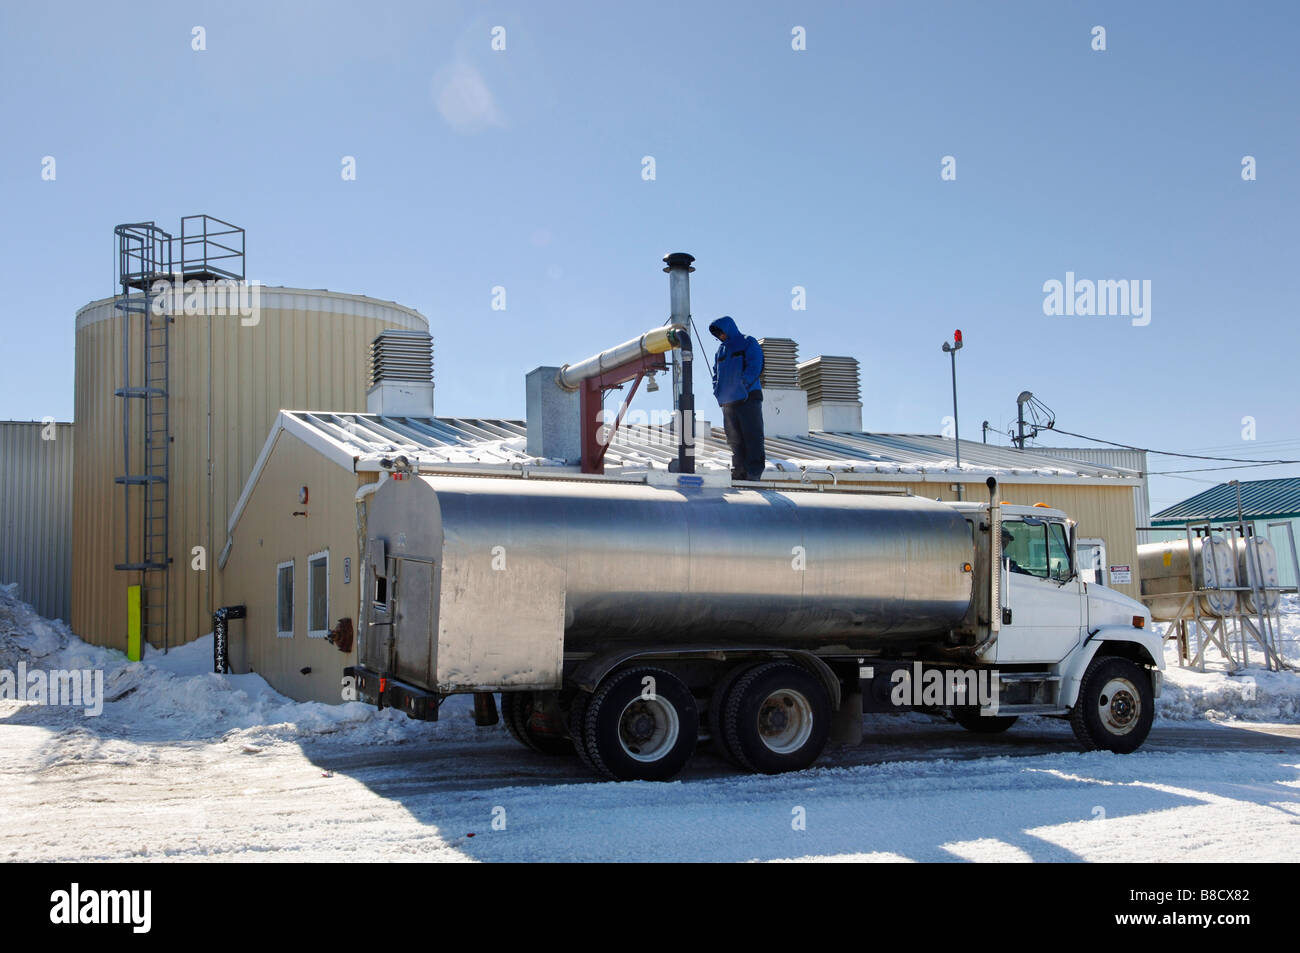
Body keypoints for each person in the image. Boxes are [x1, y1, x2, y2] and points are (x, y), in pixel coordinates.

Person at [708, 315, 766, 481]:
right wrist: (718, 390)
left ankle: (754, 471)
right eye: (718, 334)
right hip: (728, 402)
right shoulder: (721, 351)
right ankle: (739, 470)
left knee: (752, 435)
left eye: (722, 333)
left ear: (728, 328)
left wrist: (742, 385)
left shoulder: (748, 342)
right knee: (734, 438)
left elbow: (756, 365)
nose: (721, 336)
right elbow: (716, 374)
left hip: (749, 398)